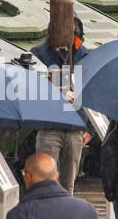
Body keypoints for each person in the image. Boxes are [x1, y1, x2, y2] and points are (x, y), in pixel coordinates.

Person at [31, 16, 90, 193]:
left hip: (75, 127)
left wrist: (90, 129)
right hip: (49, 126)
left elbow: (89, 90)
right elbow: (32, 85)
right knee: (43, 180)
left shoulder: (82, 54)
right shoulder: (39, 53)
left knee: (68, 184)